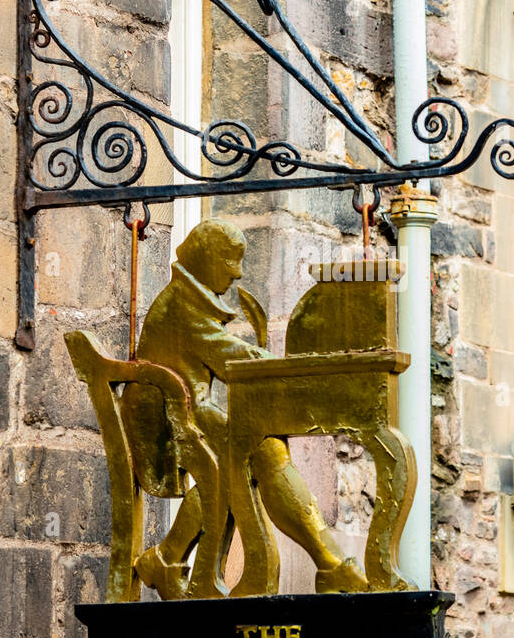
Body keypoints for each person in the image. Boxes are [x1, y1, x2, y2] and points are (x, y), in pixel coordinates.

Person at [122, 219, 368, 596]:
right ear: (206, 259)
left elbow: (226, 352)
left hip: (187, 411)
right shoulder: (183, 307)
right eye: (230, 261)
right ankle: (329, 563)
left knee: (260, 453)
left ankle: (168, 557)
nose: (237, 273)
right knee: (260, 453)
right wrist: (283, 367)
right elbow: (227, 354)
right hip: (167, 420)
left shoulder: (189, 300)